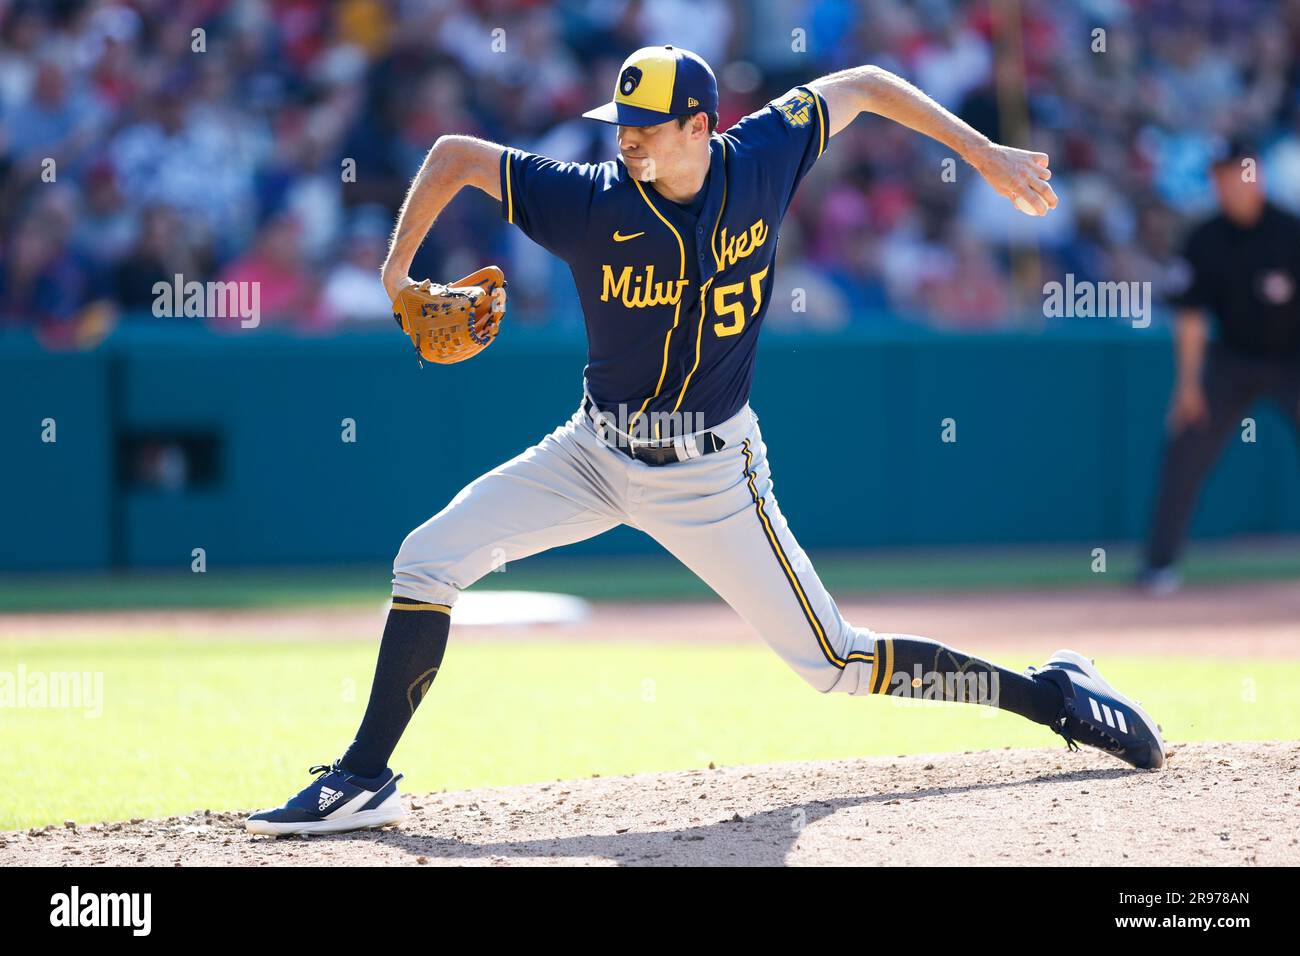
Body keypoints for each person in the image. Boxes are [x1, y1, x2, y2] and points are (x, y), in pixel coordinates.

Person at [247, 47, 1164, 836]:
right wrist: (396, 270)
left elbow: (867, 83)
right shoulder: (586, 199)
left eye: (644, 125)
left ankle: (1049, 693)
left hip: (713, 475)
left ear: (699, 124)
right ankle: (363, 779)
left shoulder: (764, 154)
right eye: (620, 123)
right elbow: (453, 154)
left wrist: (982, 150)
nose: (625, 139)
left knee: (840, 665)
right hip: (592, 452)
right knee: (426, 559)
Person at [1138, 139, 1300, 595]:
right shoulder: (1204, 238)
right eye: (1223, 177)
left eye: (1241, 174)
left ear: (1258, 177)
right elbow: (1190, 316)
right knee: (1185, 448)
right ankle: (1159, 566)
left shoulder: (1290, 231)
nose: (1233, 185)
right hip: (1232, 359)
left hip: (1293, 359)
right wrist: (1187, 386)